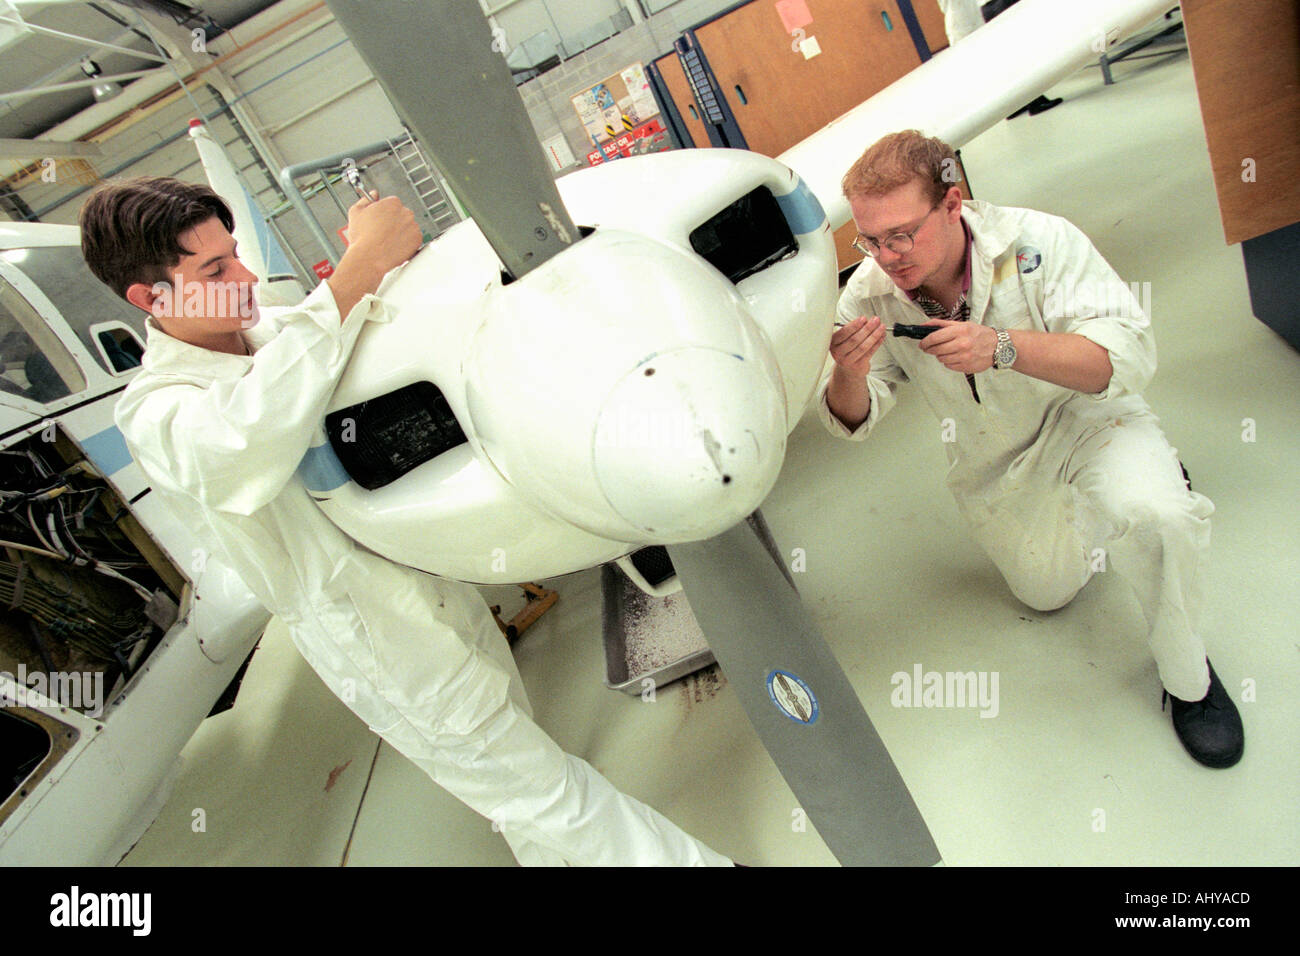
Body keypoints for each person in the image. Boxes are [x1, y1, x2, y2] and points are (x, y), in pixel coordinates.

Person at [79, 176, 735, 864]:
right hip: (374, 638)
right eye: (215, 270)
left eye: (235, 254)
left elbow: (339, 342)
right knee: (540, 791)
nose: (244, 277)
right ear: (150, 299)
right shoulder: (158, 411)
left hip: (434, 583)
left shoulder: (271, 328)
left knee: (520, 781)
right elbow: (245, 438)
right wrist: (354, 273)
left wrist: (376, 272)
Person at [819, 131, 1243, 768]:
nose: (888, 256)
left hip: (1089, 418)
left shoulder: (1043, 242)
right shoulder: (869, 293)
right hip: (997, 462)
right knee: (1046, 595)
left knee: (1157, 519)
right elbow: (856, 418)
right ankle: (1126, 494)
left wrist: (1002, 346)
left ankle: (1192, 681)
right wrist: (849, 373)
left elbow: (1125, 358)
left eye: (902, 234)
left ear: (952, 202)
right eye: (870, 240)